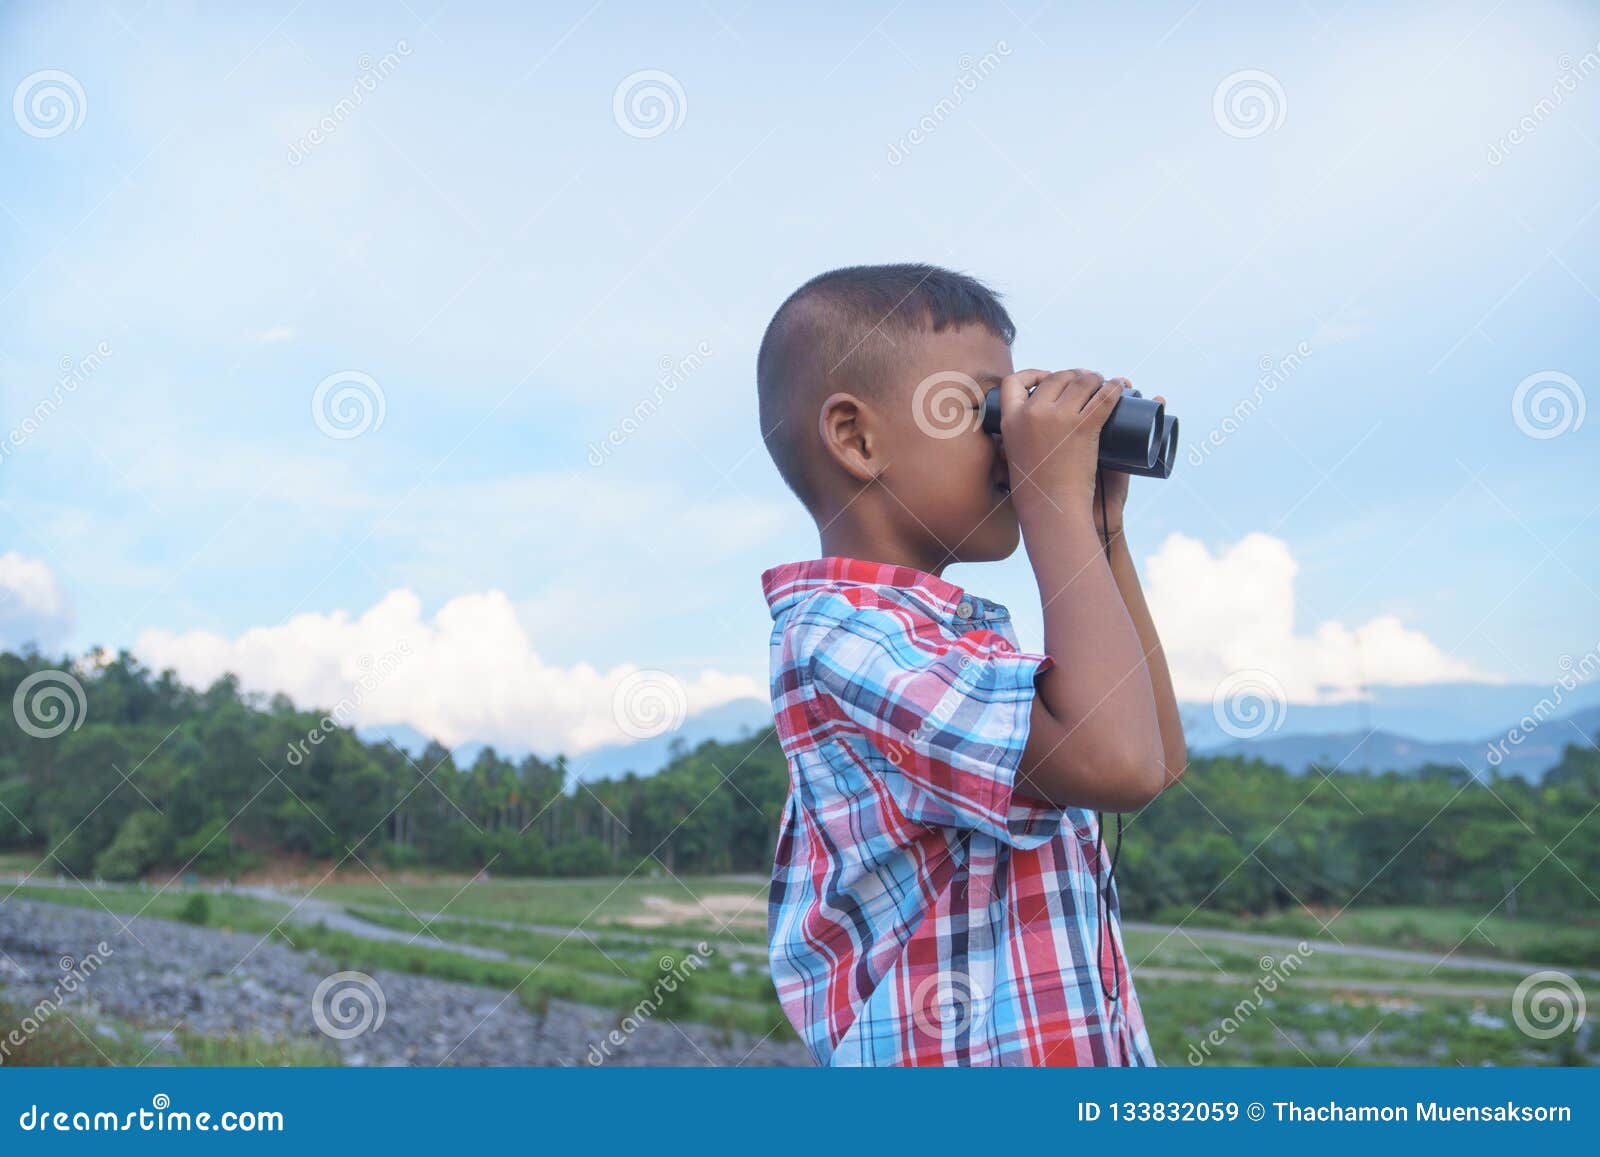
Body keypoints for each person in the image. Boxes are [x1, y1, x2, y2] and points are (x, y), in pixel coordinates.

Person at [757, 263, 1186, 1066]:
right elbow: (1118, 761)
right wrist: (1051, 499)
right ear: (857, 438)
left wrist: (1096, 528)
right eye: (988, 408)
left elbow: (1155, 754)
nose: (1012, 438)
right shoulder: (842, 639)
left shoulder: (948, 644)